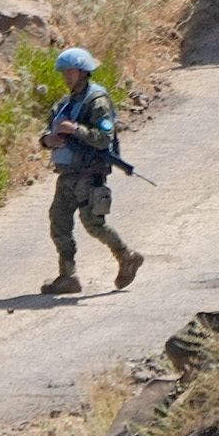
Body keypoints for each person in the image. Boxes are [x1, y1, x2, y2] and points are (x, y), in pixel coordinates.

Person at [37, 47, 143, 296]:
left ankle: (126, 256)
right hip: (68, 173)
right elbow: (48, 131)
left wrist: (75, 130)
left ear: (83, 72)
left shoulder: (97, 102)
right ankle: (67, 276)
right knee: (59, 221)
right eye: (63, 72)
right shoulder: (65, 103)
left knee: (93, 224)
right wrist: (48, 140)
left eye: (69, 72)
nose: (66, 76)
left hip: (89, 172)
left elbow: (104, 138)